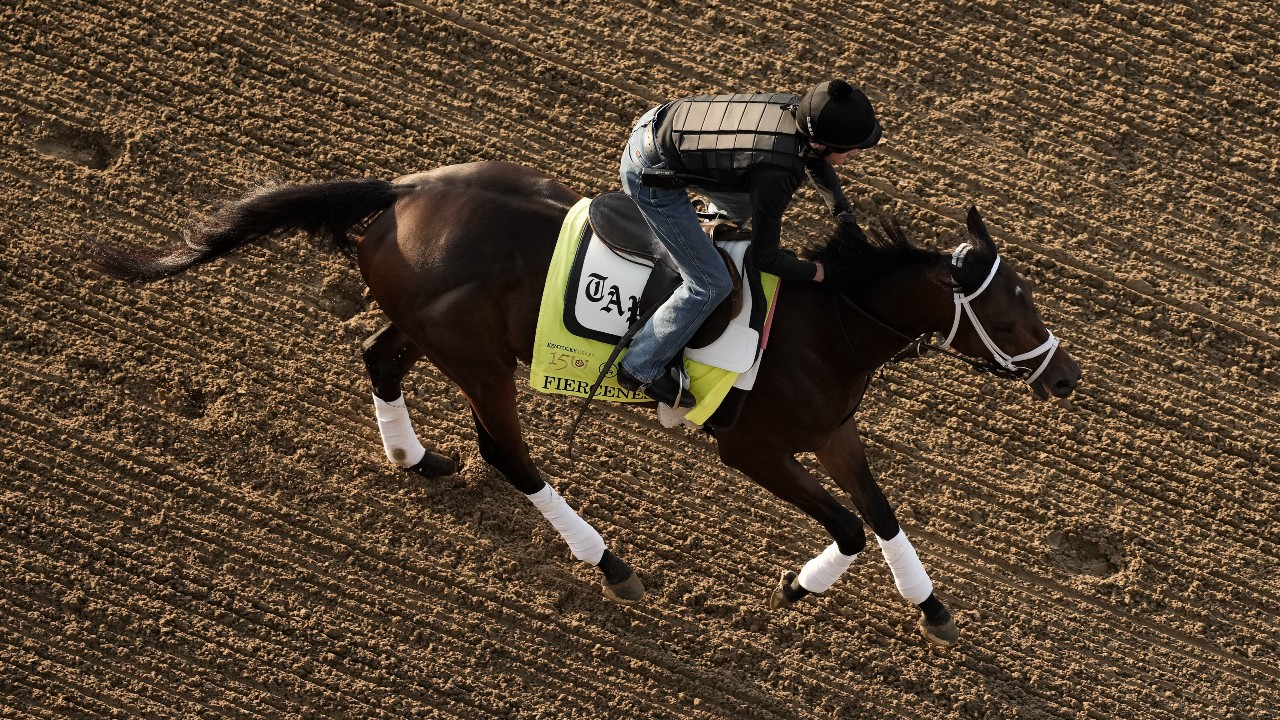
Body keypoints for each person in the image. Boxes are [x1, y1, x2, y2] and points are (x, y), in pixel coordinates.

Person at [616, 79, 882, 408]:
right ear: (819, 143)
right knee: (711, 284)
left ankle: (709, 228)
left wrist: (844, 218)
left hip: (658, 122)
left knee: (742, 202)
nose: (856, 152)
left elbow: (815, 159)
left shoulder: (796, 111)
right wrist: (818, 272)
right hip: (649, 175)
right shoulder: (778, 173)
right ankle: (639, 367)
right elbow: (764, 257)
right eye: (851, 148)